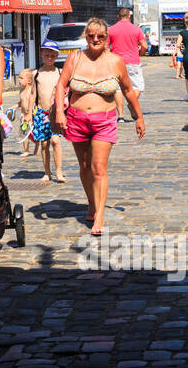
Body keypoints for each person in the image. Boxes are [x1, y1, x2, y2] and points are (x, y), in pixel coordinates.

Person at [53, 18, 145, 236]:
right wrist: (59, 112)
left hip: (104, 120)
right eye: (91, 35)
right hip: (76, 118)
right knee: (84, 166)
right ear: (86, 36)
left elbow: (129, 90)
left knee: (99, 167)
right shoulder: (75, 58)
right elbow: (61, 85)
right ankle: (91, 203)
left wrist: (138, 117)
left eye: (100, 36)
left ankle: (100, 216)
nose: (95, 39)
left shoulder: (116, 62)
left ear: (107, 38)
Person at [31, 41, 66, 183]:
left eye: (52, 55)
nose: (49, 58)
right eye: (47, 55)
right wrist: (28, 113)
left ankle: (59, 170)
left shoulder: (60, 73)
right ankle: (47, 172)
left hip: (55, 112)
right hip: (40, 112)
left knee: (55, 141)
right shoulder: (36, 74)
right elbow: (33, 94)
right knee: (44, 144)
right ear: (41, 54)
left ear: (57, 56)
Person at [107, 7, 148, 122]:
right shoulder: (136, 29)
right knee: (137, 86)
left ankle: (120, 116)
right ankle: (131, 103)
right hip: (133, 62)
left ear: (118, 16)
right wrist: (139, 53)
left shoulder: (111, 29)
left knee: (118, 89)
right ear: (129, 16)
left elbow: (105, 47)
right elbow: (144, 46)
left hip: (116, 63)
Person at [15, 68, 36, 156]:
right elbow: (21, 102)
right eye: (19, 78)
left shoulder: (31, 90)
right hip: (23, 116)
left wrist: (31, 112)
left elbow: (33, 102)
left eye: (21, 78)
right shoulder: (21, 90)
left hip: (32, 115)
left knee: (33, 133)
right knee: (24, 133)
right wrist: (14, 106)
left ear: (29, 81)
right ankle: (26, 150)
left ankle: (37, 147)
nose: (19, 80)